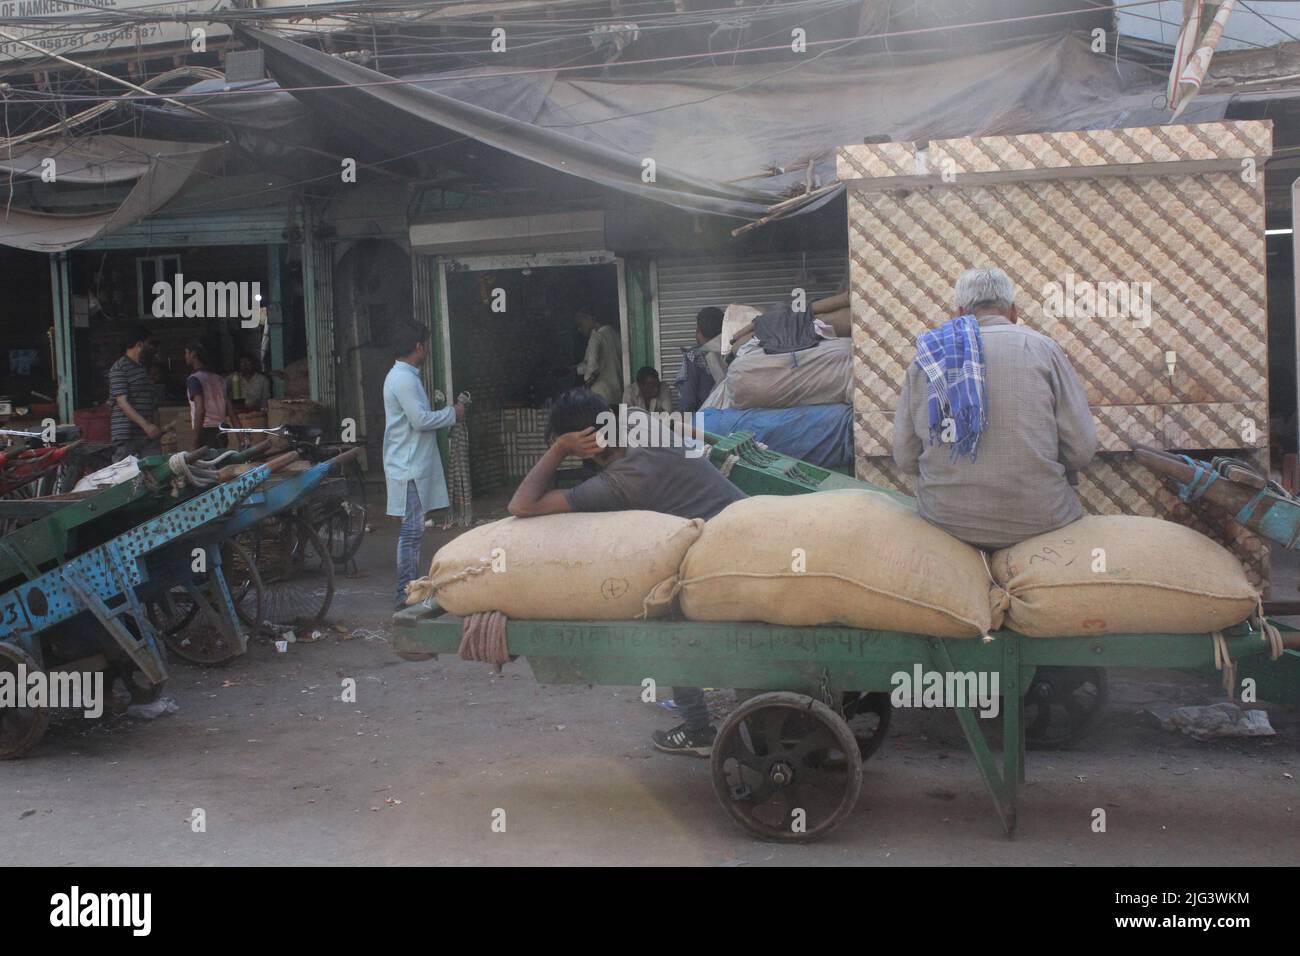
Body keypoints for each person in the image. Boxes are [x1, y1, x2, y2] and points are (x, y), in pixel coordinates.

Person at [508, 388, 746, 757]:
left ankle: (699, 729)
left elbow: (522, 505)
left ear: (583, 443)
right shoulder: (640, 424)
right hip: (741, 523)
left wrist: (557, 450)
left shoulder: (621, 481)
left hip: (726, 556)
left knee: (664, 619)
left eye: (569, 444)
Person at [892, 266, 1098, 550]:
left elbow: (905, 457)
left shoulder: (927, 357)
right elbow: (1081, 448)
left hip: (947, 522)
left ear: (960, 312)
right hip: (1041, 520)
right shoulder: (1043, 350)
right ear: (1013, 312)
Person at [384, 321, 465, 611]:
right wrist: (452, 413)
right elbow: (419, 420)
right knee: (411, 533)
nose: (428, 349)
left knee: (414, 532)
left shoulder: (403, 376)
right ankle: (404, 595)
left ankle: (408, 592)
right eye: (426, 344)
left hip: (410, 463)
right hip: (409, 466)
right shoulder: (403, 379)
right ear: (418, 346)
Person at [109, 326, 161, 462]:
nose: (151, 348)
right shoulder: (119, 368)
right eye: (149, 343)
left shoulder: (142, 368)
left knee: (155, 470)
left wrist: (153, 425)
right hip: (127, 434)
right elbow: (122, 402)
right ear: (139, 344)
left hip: (147, 435)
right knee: (124, 474)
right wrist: (146, 425)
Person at [185, 343, 239, 451]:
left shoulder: (194, 379)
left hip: (205, 432)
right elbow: (231, 411)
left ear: (193, 354)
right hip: (222, 431)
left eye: (186, 353)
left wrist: (194, 441)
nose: (185, 356)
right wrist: (242, 439)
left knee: (206, 466)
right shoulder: (219, 379)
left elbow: (200, 410)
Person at [676, 306, 727, 413]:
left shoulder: (693, 357)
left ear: (699, 329)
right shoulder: (734, 351)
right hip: (732, 420)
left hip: (705, 422)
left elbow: (687, 401)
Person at [575, 308, 623, 405]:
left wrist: (586, 385)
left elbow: (592, 368)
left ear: (590, 318)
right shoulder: (614, 334)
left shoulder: (596, 338)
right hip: (618, 393)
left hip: (600, 395)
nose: (579, 329)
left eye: (580, 324)